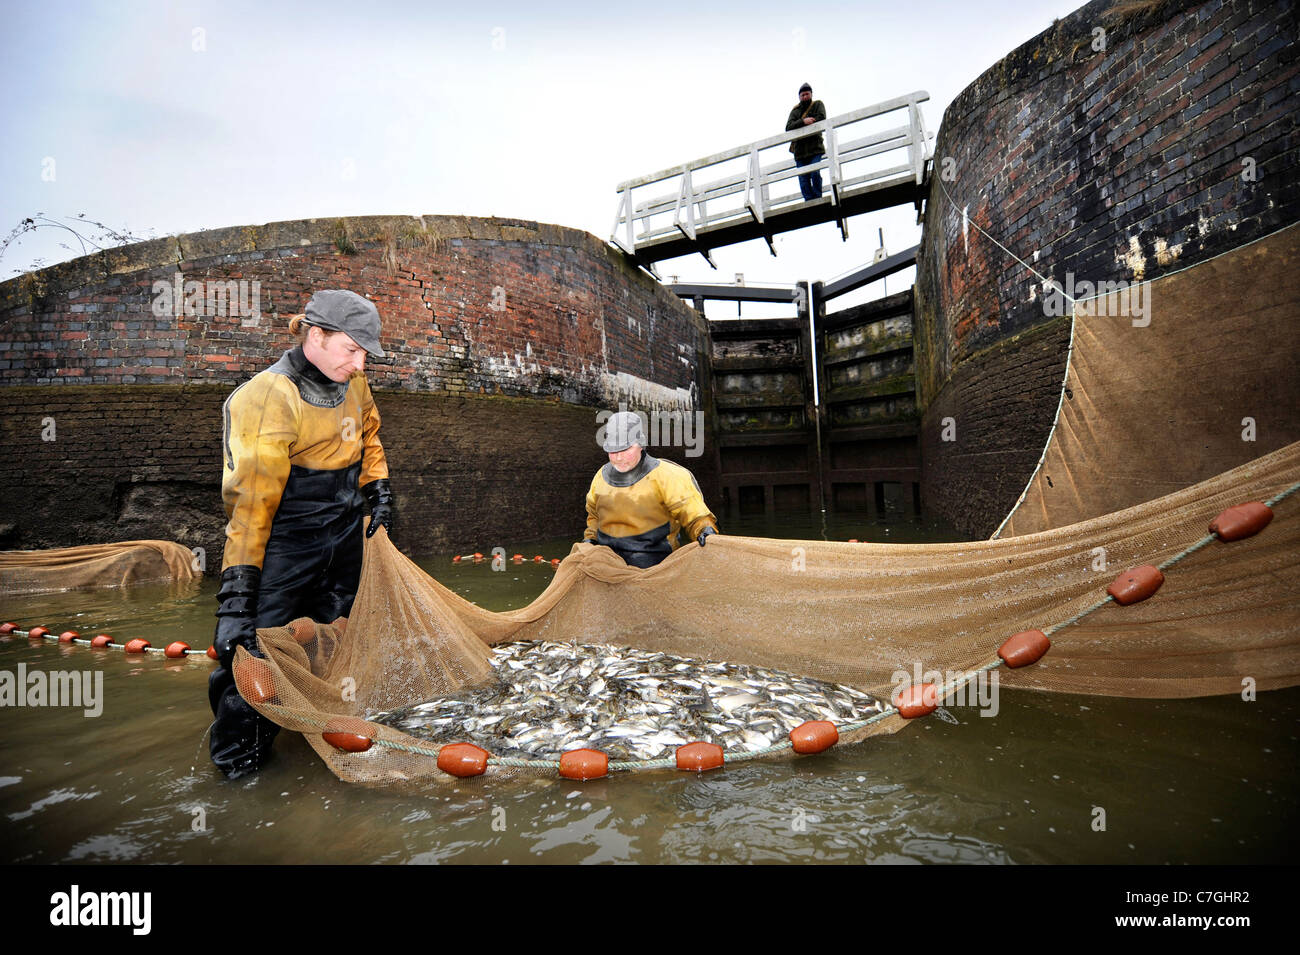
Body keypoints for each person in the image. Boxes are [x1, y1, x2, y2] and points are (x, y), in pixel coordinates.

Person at [208, 289, 395, 778]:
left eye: (364, 354)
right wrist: (235, 602)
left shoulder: (353, 382)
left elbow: (368, 433)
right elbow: (250, 510)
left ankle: (322, 725)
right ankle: (238, 767)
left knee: (338, 635)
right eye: (351, 350)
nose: (358, 364)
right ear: (316, 335)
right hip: (285, 543)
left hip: (344, 532)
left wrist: (378, 489)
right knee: (256, 654)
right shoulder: (267, 397)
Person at [584, 411, 718, 568]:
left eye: (626, 449)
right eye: (613, 451)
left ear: (641, 444)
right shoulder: (600, 476)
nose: (618, 457)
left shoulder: (668, 475)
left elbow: (695, 516)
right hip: (608, 564)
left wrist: (705, 531)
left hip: (658, 565)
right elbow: (593, 517)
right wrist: (590, 540)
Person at [785, 82, 827, 201]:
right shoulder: (795, 111)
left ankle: (818, 197)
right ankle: (809, 201)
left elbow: (821, 117)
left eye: (807, 94)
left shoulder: (818, 104)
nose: (805, 97)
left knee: (815, 173)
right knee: (803, 179)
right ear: (799, 97)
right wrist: (803, 121)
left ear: (811, 94)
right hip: (800, 151)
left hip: (815, 148)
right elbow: (788, 127)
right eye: (802, 95)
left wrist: (810, 122)